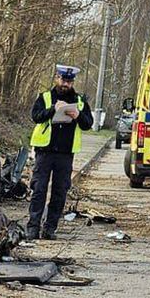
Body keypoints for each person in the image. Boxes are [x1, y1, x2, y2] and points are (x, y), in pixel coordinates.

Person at [27, 64, 90, 240]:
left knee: (60, 192)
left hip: (65, 154)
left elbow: (88, 124)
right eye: (63, 80)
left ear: (73, 82)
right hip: (45, 152)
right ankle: (33, 227)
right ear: (56, 78)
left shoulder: (79, 101)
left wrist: (78, 115)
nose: (65, 84)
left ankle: (50, 228)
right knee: (39, 189)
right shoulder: (45, 97)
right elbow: (36, 116)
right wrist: (53, 109)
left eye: (69, 81)